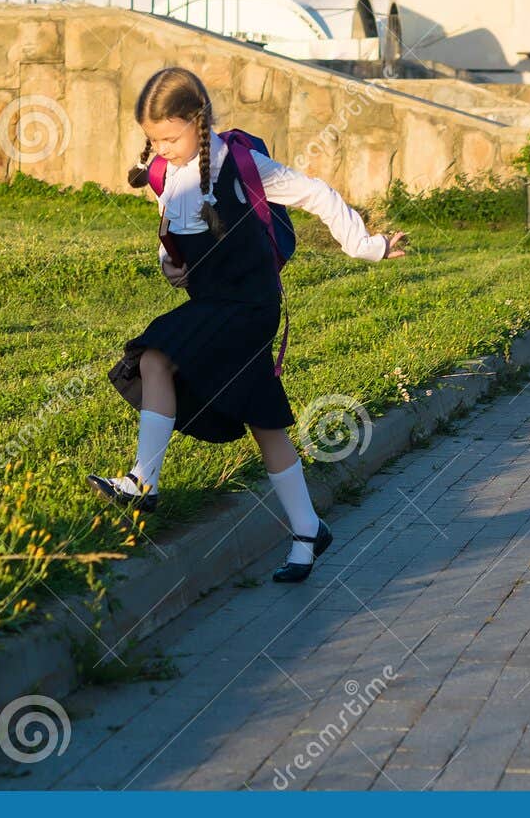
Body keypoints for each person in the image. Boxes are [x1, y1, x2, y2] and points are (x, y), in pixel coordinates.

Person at [90, 67, 407, 582]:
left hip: (251, 306)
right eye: (154, 140)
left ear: (198, 122)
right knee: (262, 419)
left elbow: (318, 194)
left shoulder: (243, 164)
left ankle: (143, 482)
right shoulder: (164, 176)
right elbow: (172, 243)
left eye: (170, 137)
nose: (162, 148)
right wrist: (171, 267)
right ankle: (308, 530)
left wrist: (366, 246)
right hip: (213, 301)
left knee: (155, 355)